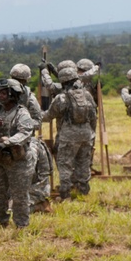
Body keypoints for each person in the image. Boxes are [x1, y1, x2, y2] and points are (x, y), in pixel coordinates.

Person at [42, 66, 97, 199]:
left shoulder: (61, 98)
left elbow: (48, 116)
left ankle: (65, 194)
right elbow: (93, 116)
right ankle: (83, 191)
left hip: (68, 135)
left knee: (65, 164)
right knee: (83, 163)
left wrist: (36, 114)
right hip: (86, 134)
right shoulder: (87, 95)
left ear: (62, 81)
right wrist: (91, 133)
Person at [0, 78, 35, 228]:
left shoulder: (22, 113)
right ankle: (2, 222)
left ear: (12, 94)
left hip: (18, 161)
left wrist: (7, 142)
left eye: (3, 92)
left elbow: (25, 132)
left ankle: (21, 226)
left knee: (19, 195)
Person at [9, 64, 52, 213]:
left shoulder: (28, 97)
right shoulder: (0, 94)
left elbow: (37, 121)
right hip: (11, 141)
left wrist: (22, 125)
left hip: (22, 141)